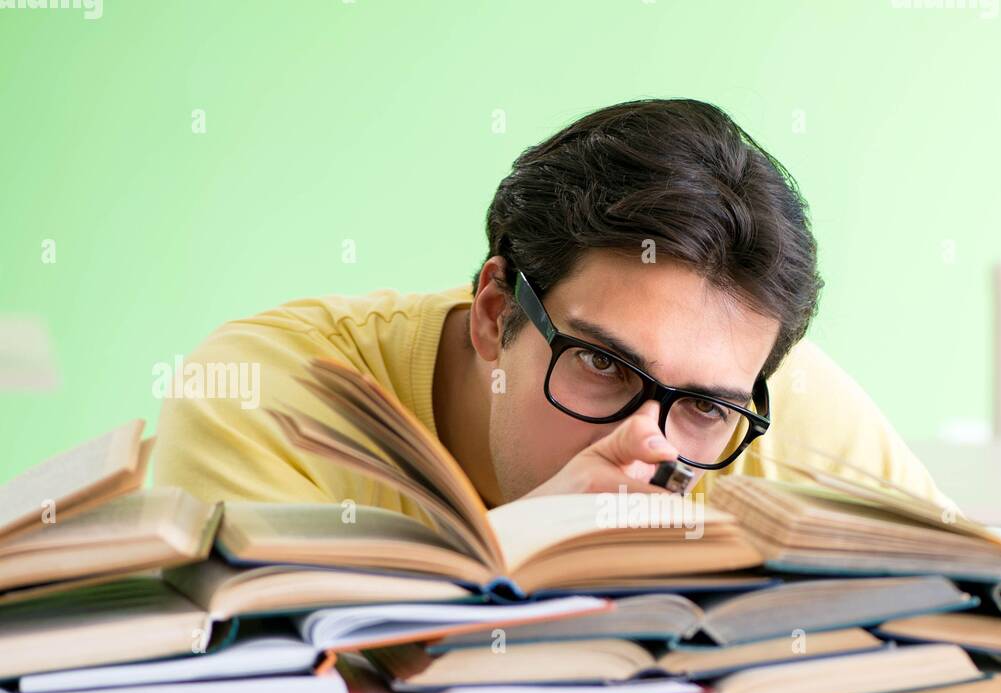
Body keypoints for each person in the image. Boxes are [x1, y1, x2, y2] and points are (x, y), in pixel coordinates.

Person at [155, 98, 947, 516]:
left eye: (702, 406)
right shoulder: (267, 395)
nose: (651, 446)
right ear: (495, 311)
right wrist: (524, 552)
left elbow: (998, 634)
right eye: (603, 364)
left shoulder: (772, 412)